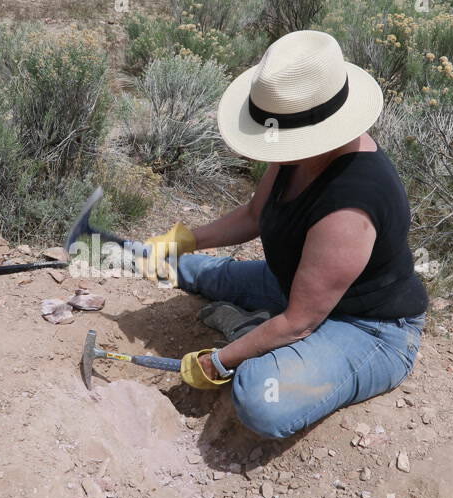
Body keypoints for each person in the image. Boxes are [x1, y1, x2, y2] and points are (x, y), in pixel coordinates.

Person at [142, 30, 428, 439]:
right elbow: (255, 214)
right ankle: (252, 326)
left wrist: (218, 362)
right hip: (293, 283)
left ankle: (253, 334)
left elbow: (299, 321)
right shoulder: (300, 148)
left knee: (262, 400)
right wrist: (183, 238)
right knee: (194, 270)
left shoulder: (350, 205)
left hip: (367, 325)